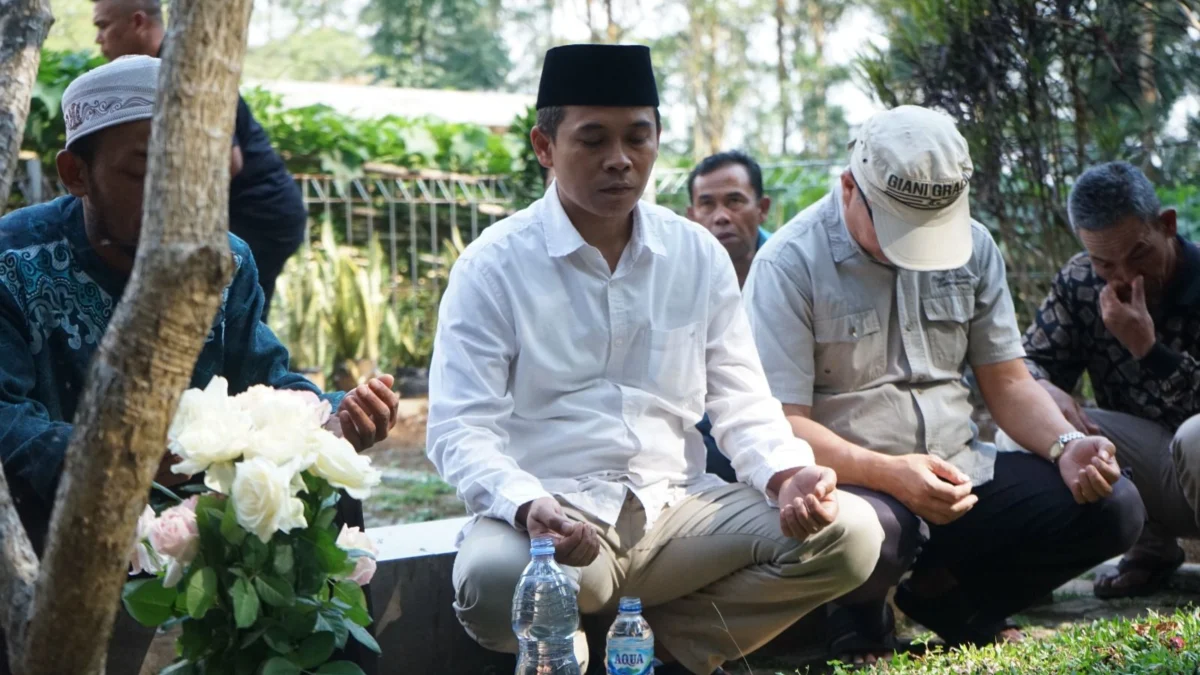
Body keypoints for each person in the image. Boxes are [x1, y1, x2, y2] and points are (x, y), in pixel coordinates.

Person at [427, 44, 884, 675]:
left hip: (675, 511)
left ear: (657, 140)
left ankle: (656, 650)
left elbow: (742, 400)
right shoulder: (492, 266)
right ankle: (569, 650)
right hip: (553, 519)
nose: (620, 159)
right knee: (490, 581)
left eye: (638, 138)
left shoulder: (695, 254)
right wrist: (526, 504)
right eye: (593, 140)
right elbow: (459, 427)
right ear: (544, 146)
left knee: (851, 533)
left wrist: (786, 475)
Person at [0, 57, 398, 674]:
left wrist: (334, 417)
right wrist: (125, 462)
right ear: (76, 173)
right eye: (144, 170)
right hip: (52, 519)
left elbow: (266, 378)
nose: (176, 194)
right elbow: (8, 422)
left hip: (190, 497)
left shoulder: (223, 260)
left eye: (192, 169)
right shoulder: (11, 262)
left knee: (324, 481)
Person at [743, 105, 1145, 664]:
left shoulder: (975, 247)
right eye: (897, 228)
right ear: (850, 188)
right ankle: (858, 619)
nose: (913, 247)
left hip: (960, 470)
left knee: (1114, 507)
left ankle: (953, 601)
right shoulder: (788, 264)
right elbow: (782, 425)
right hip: (855, 483)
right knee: (874, 533)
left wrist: (1066, 445)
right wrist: (889, 474)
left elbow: (1008, 382)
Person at [1011, 161, 1200, 598]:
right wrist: (1045, 389)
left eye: (1139, 254)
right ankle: (1147, 549)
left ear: (1167, 225)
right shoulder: (1081, 282)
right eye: (1104, 262)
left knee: (1196, 437)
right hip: (1152, 471)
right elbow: (1018, 367)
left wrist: (1150, 351)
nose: (1124, 277)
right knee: (1037, 421)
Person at [92, 0, 309, 316]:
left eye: (103, 26)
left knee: (227, 321)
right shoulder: (155, 69)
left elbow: (226, 163)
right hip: (245, 211)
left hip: (259, 213)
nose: (98, 38)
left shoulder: (184, 66)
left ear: (138, 22)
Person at [685, 151, 772, 482]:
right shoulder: (676, 277)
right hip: (710, 425)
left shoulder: (790, 269)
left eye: (734, 201)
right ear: (691, 215)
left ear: (762, 208)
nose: (721, 217)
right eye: (707, 204)